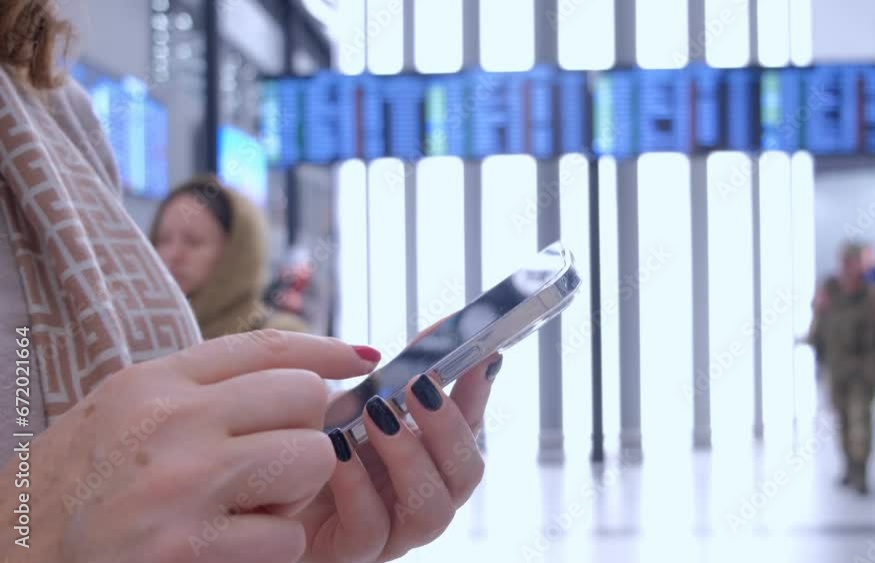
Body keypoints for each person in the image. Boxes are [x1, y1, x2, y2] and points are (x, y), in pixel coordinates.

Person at [0, 2, 501, 561]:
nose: (169, 257)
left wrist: (259, 521)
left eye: (194, 243)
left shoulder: (56, 108)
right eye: (161, 239)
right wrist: (26, 527)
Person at [151, 174, 310, 338]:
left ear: (237, 253)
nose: (173, 255)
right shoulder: (148, 336)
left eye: (194, 242)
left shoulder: (278, 337)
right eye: (163, 240)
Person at [807, 241, 875, 495]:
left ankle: (861, 471)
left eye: (854, 263)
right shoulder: (829, 296)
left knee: (860, 418)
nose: (849, 269)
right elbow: (818, 331)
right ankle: (849, 466)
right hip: (837, 369)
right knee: (842, 420)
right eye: (846, 263)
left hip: (865, 370)